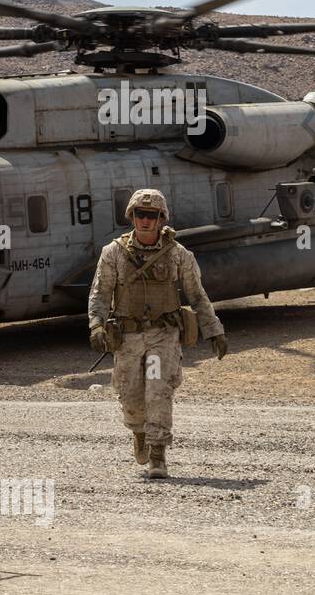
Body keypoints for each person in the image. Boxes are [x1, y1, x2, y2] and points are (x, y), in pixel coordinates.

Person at [88, 189, 228, 478]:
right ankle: (139, 432)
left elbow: (197, 296)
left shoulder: (178, 255)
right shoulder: (113, 253)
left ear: (161, 218)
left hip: (162, 336)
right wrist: (96, 324)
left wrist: (214, 330)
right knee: (130, 395)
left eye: (151, 215)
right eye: (140, 214)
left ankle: (157, 454)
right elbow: (100, 293)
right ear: (132, 217)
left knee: (157, 389)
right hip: (128, 337)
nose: (145, 220)